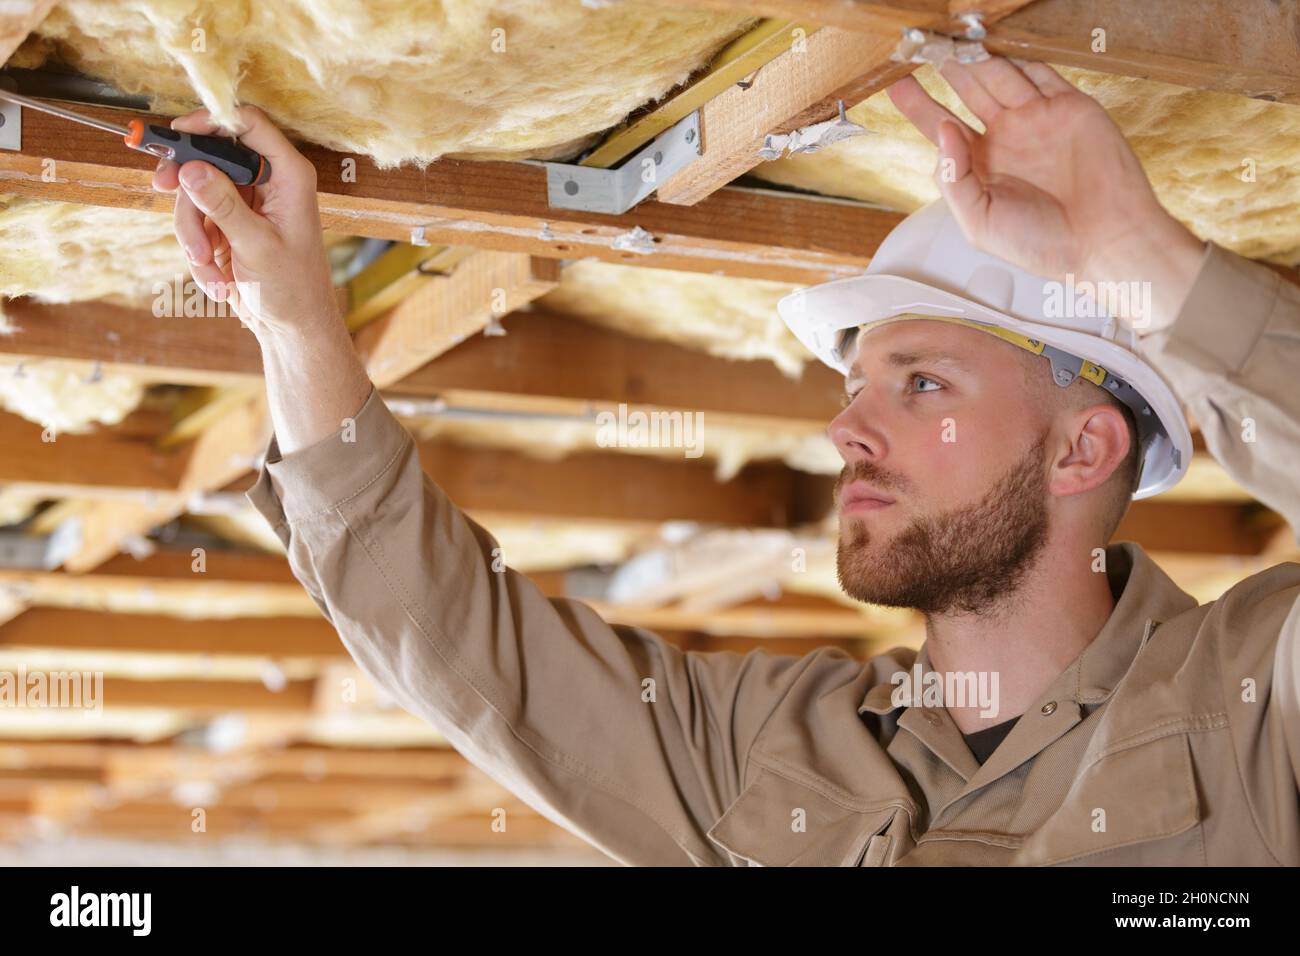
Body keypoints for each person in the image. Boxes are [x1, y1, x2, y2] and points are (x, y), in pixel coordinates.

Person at [152, 56, 1300, 866]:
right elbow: (464, 650)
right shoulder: (777, 745)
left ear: (1082, 445)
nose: (847, 430)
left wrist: (1144, 261)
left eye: (921, 385)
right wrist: (298, 321)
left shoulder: (1252, 712)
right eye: (857, 388)